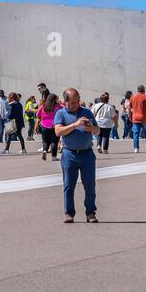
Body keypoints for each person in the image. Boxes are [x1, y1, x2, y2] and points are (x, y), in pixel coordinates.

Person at [54, 87, 99, 224]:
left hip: (87, 154)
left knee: (90, 185)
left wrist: (90, 128)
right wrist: (75, 124)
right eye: (73, 102)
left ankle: (90, 213)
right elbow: (58, 132)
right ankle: (69, 213)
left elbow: (97, 131)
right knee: (68, 185)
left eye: (77, 101)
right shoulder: (61, 113)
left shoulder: (86, 112)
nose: (76, 104)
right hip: (69, 154)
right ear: (65, 102)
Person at [129, 85, 146, 153]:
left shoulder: (132, 97)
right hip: (144, 118)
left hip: (135, 117)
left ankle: (136, 148)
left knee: (136, 134)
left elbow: (129, 108)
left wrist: (130, 116)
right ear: (143, 90)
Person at [37, 92, 60, 160]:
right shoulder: (57, 106)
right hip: (54, 126)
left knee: (45, 141)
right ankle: (53, 156)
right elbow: (63, 111)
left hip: (44, 126)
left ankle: (44, 151)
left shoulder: (43, 105)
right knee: (54, 142)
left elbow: (38, 115)